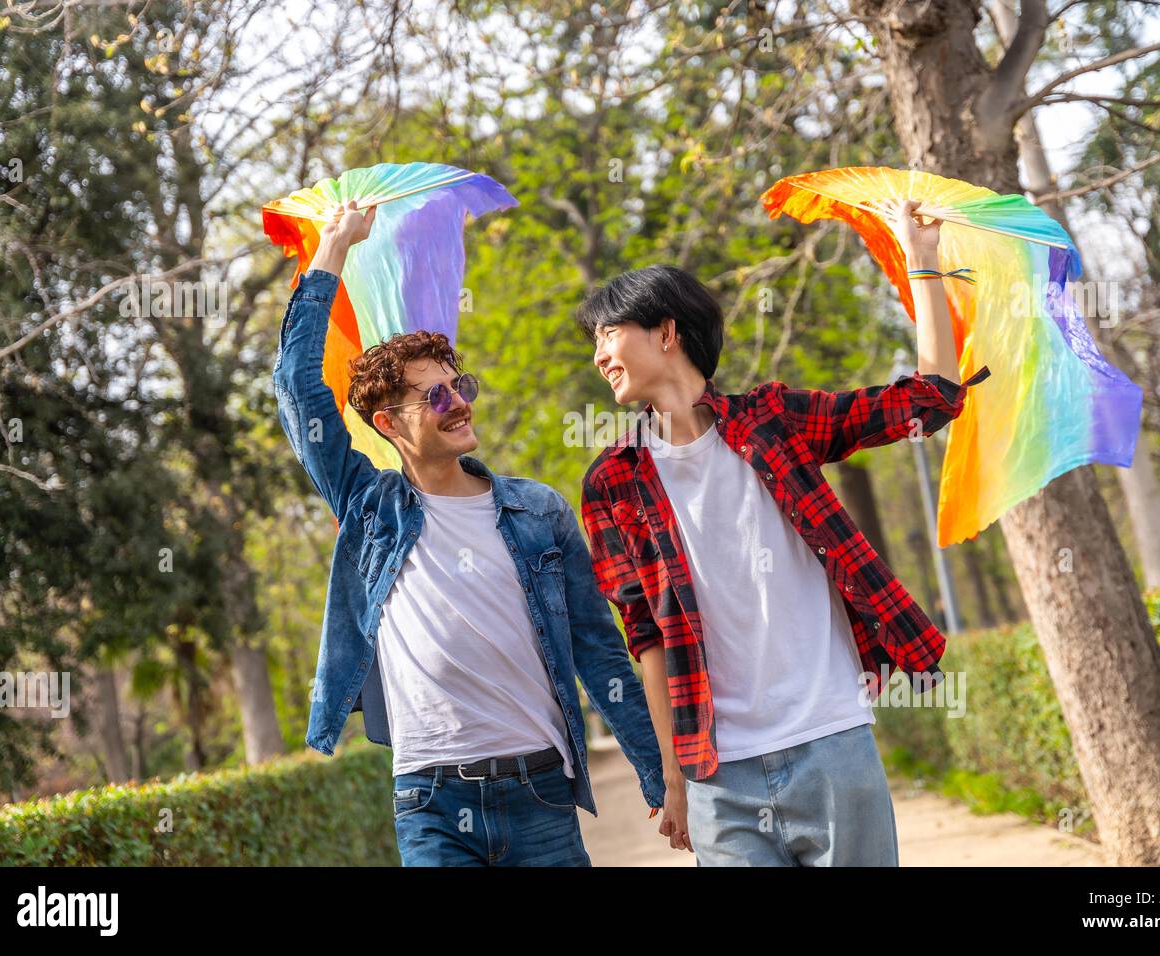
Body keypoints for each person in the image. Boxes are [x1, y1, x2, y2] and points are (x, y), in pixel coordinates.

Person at [577, 199, 989, 866]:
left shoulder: (773, 420)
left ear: (665, 332)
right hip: (717, 772)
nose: (599, 355)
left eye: (607, 333)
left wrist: (921, 258)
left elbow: (929, 399)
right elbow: (645, 636)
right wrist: (672, 775)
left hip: (831, 741)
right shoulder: (612, 481)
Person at [273, 199, 666, 866]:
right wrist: (333, 249)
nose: (458, 402)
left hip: (539, 793)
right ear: (389, 424)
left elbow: (598, 651)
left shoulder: (537, 512)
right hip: (429, 804)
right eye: (434, 396)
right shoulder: (371, 508)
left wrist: (656, 772)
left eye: (460, 385)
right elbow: (295, 386)